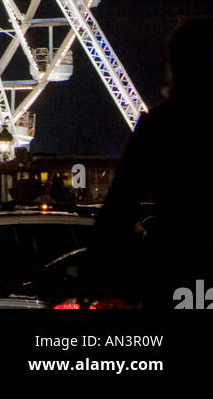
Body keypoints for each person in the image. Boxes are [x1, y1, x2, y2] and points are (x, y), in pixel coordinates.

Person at [84, 17, 213, 308]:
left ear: (175, 67)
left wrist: (104, 271)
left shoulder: (160, 126)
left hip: (174, 266)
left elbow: (119, 207)